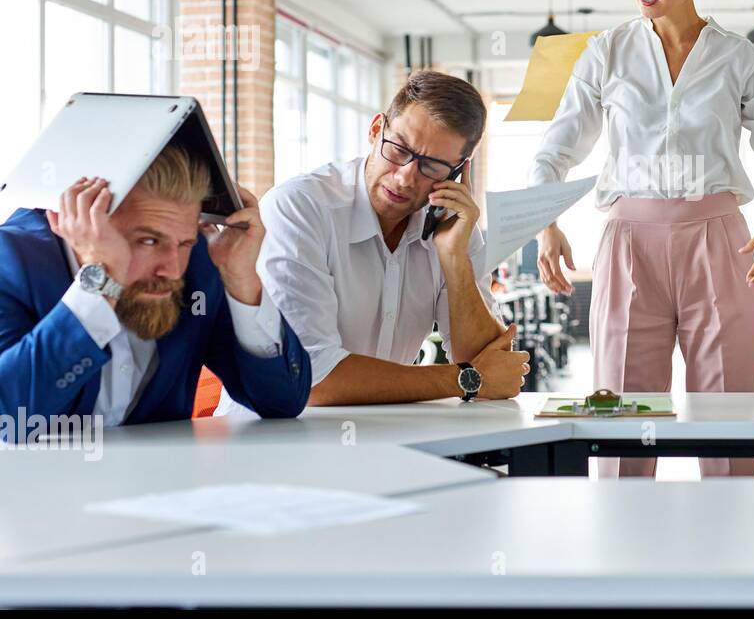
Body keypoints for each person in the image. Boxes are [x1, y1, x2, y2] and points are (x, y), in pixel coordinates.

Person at [530, 0, 754, 477]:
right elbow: (554, 153)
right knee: (623, 427)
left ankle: (730, 553)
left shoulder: (741, 58)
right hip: (628, 244)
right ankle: (626, 560)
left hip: (720, 242)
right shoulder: (604, 53)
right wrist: (545, 221)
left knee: (728, 424)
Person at [219, 71, 529, 415]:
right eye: (399, 149)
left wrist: (455, 259)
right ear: (376, 129)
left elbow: (495, 368)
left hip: (381, 437)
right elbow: (311, 379)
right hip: (272, 443)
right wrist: (465, 380)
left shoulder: (454, 227)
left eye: (433, 166)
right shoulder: (299, 207)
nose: (405, 177)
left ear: (458, 173)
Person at [0, 146, 310, 426]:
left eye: (185, 241)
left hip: (165, 485)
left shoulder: (201, 261)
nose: (173, 269)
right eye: (148, 241)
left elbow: (282, 402)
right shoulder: (9, 260)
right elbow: (10, 416)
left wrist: (242, 278)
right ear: (71, 220)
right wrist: (99, 280)